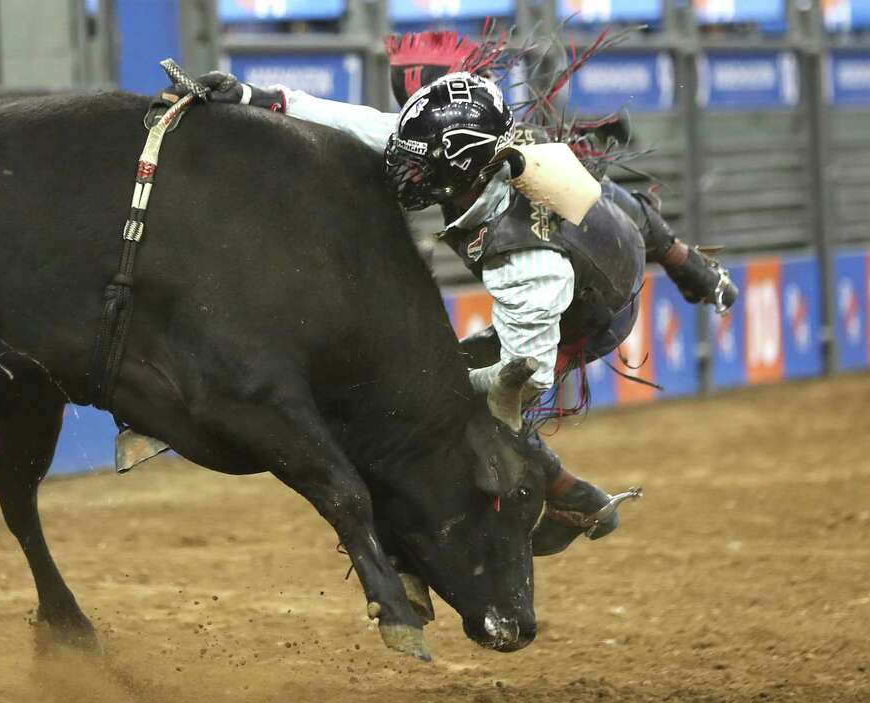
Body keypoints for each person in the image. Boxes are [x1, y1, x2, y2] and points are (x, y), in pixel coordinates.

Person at [165, 33, 738, 555]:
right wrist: (255, 96)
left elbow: (528, 375)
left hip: (590, 316)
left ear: (461, 170)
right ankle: (690, 273)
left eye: (418, 168)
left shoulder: (526, 262)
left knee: (472, 409)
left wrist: (437, 384)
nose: (403, 172)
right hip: (607, 239)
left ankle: (561, 499)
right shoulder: (488, 154)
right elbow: (367, 125)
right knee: (608, 197)